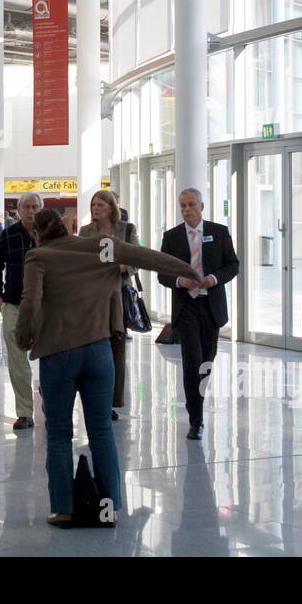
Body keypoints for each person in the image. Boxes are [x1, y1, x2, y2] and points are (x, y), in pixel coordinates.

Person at [17, 207, 197, 528]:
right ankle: (108, 509)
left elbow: (30, 302)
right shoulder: (98, 246)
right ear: (68, 225)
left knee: (59, 433)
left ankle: (63, 510)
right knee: (101, 431)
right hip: (99, 351)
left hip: (58, 354)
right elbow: (146, 257)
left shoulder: (39, 257)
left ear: (37, 233)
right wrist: (187, 269)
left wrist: (23, 337)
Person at [157, 188, 240, 440]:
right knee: (191, 363)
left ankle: (199, 405)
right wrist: (179, 281)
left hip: (211, 306)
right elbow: (162, 272)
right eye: (182, 205)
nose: (187, 210)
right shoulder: (172, 237)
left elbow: (232, 265)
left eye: (191, 205)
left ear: (201, 206)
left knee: (206, 362)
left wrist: (213, 279)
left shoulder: (219, 232)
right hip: (187, 307)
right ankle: (196, 419)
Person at [78, 189, 140, 421]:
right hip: (94, 296)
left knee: (117, 348)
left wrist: (122, 267)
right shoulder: (86, 232)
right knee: (95, 346)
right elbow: (81, 261)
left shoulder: (127, 230)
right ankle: (95, 398)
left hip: (119, 295)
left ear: (111, 208)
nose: (95, 209)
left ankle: (113, 400)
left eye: (100, 205)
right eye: (93, 205)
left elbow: (136, 260)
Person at [0, 192, 43, 430]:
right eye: (27, 207)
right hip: (13, 304)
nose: (31, 212)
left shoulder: (51, 236)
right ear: (19, 210)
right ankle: (24, 412)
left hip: (46, 306)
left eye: (35, 207)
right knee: (17, 360)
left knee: (52, 357)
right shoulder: (8, 235)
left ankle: (51, 405)